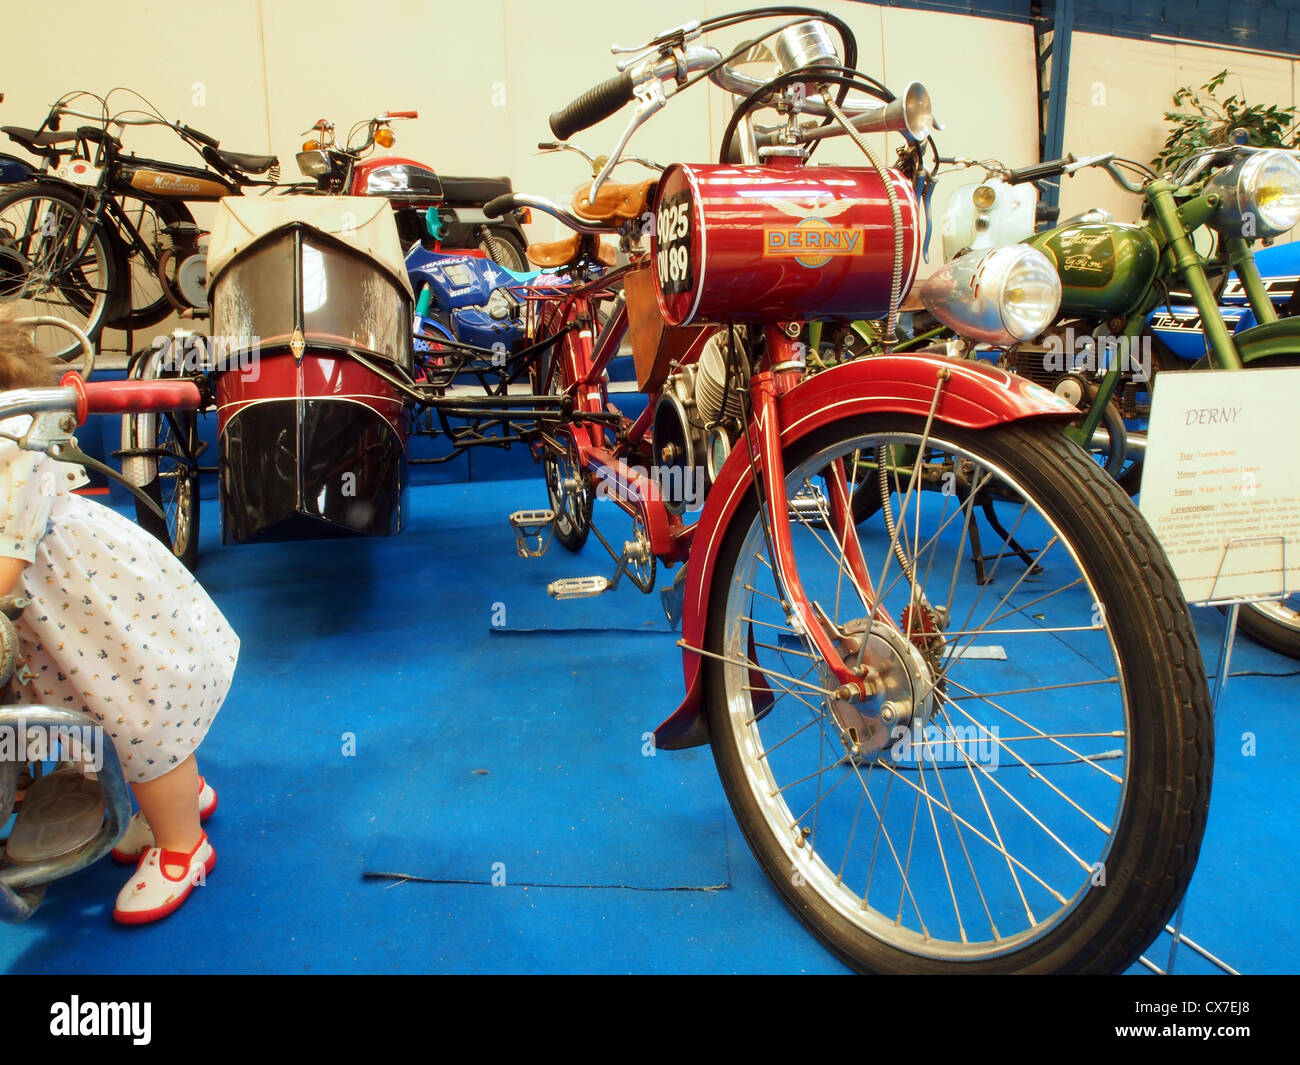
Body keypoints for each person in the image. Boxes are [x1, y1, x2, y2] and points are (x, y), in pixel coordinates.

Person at [0, 308, 239, 923]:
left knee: (135, 726)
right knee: (115, 718)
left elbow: (3, 568)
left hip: (88, 613)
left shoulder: (9, 447)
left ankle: (184, 846)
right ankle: (177, 798)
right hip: (63, 615)